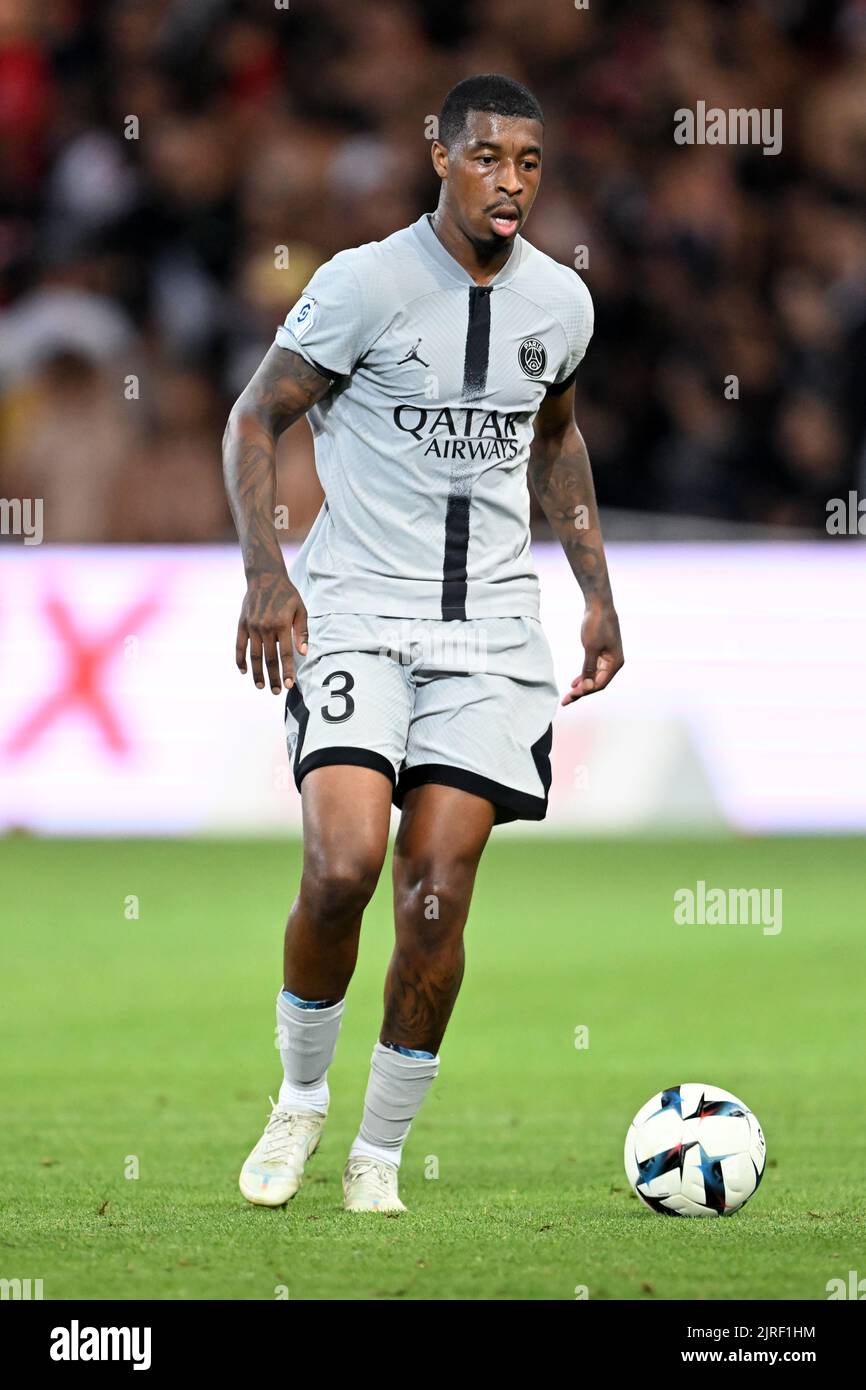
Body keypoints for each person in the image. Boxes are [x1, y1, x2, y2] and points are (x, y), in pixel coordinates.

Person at [222, 73, 624, 1215]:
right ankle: (300, 1099)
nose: (511, 181)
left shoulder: (560, 304)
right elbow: (254, 416)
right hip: (356, 609)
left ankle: (378, 1156)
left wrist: (595, 595)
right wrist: (266, 574)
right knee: (342, 865)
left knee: (435, 889)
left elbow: (557, 443)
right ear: (437, 156)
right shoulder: (360, 285)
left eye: (529, 163)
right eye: (488, 157)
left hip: (492, 632)